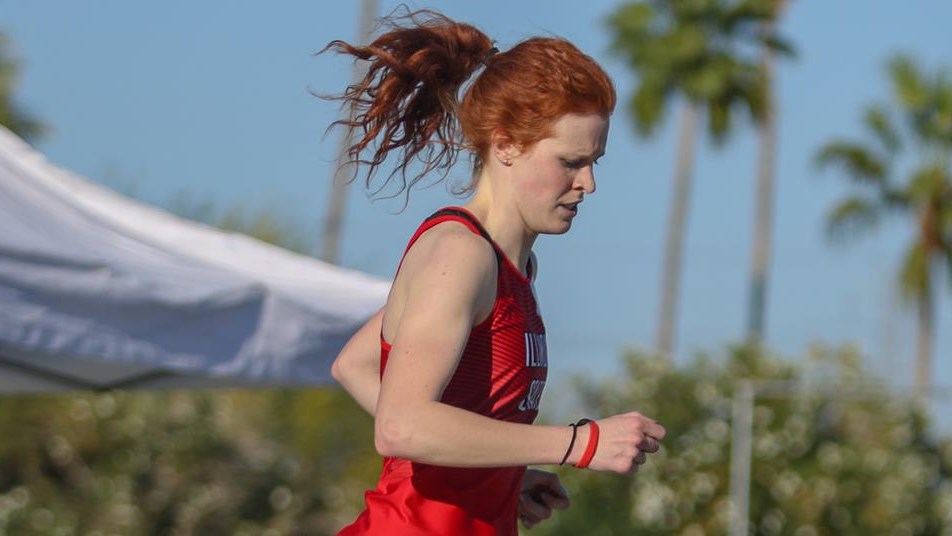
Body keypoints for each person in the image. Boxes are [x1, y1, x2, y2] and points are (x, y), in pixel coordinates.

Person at [325, 9, 666, 535]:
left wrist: (502, 470)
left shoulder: (514, 265)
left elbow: (354, 364)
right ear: (505, 145)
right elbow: (401, 424)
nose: (588, 184)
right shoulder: (460, 256)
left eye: (595, 161)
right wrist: (578, 443)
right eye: (571, 162)